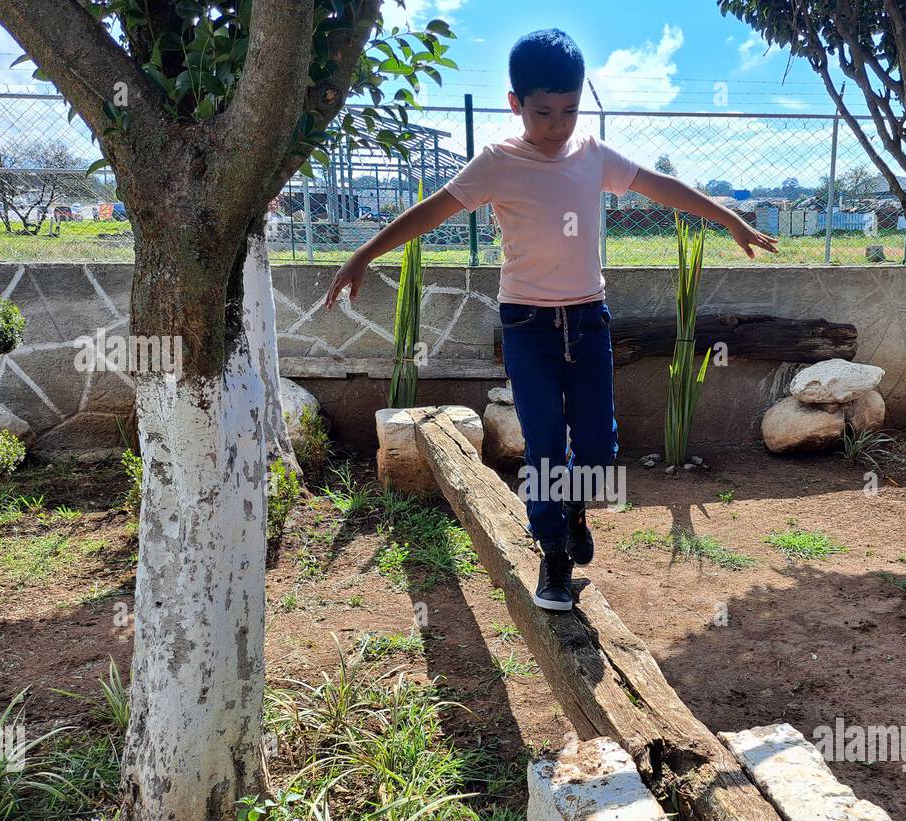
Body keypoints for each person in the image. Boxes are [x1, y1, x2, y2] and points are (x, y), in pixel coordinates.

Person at [326, 27, 778, 611]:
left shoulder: (593, 155)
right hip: (527, 327)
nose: (557, 125)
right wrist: (364, 254)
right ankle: (555, 556)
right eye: (543, 113)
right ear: (515, 104)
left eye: (569, 110)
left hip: (588, 322)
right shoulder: (497, 163)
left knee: (596, 447)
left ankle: (575, 508)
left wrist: (729, 218)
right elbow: (431, 211)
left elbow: (661, 187)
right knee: (543, 445)